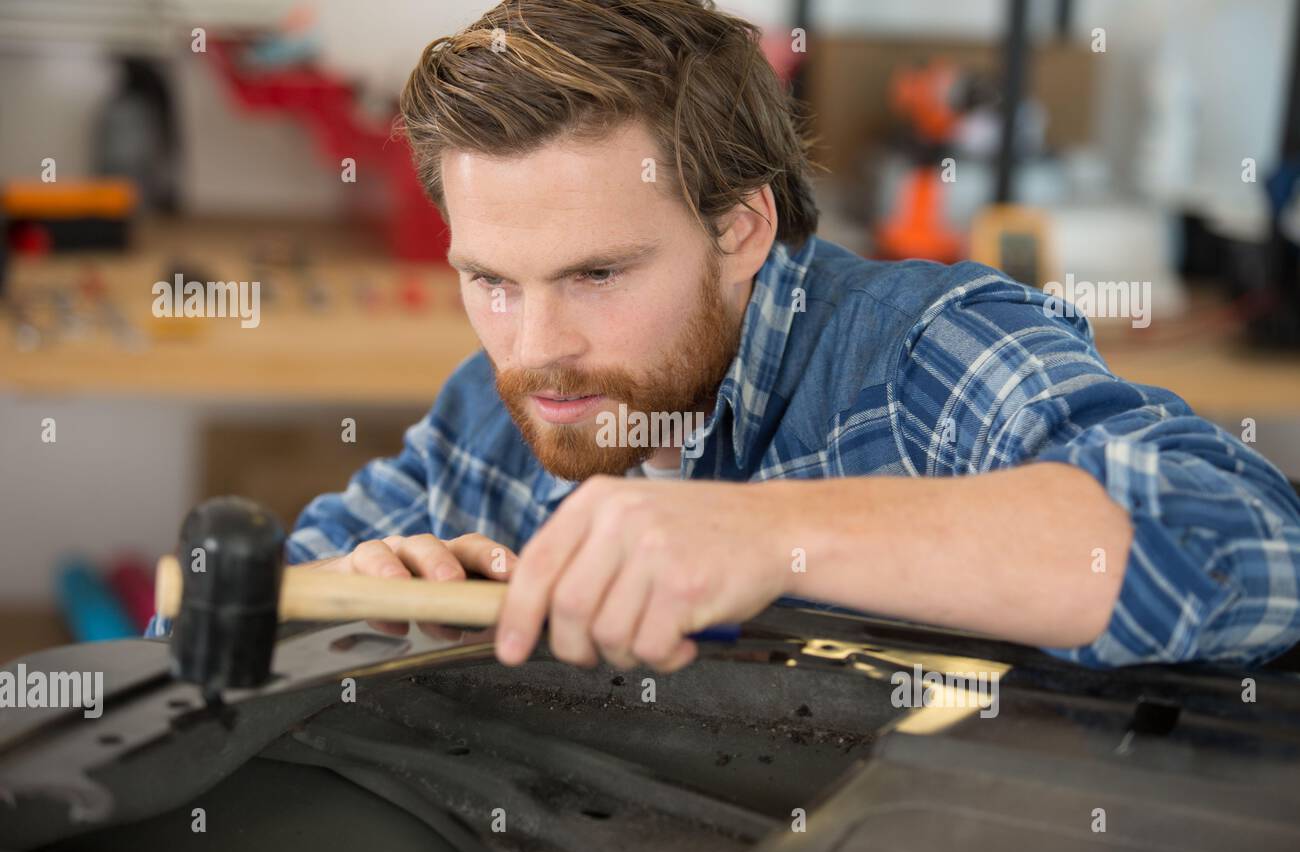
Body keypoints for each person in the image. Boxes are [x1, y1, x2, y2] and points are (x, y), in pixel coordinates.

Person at [151, 0, 1300, 674]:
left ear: (742, 225)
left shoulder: (918, 353)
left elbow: (1251, 545)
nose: (536, 344)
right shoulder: (493, 414)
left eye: (599, 271)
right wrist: (343, 608)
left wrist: (773, 533)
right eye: (490, 280)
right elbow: (193, 614)